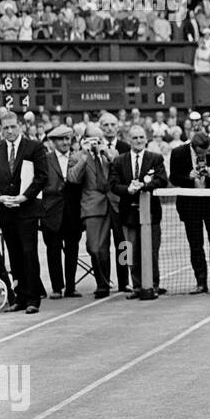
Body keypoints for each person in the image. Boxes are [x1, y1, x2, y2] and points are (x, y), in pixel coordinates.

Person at [0, 110, 49, 313]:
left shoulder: (34, 147)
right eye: (5, 128)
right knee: (14, 254)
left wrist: (24, 197)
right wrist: (0, 198)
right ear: (0, 129)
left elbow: (41, 177)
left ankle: (33, 299)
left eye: (13, 127)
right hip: (6, 211)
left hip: (26, 209)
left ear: (19, 126)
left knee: (29, 253)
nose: (10, 131)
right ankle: (20, 297)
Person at [109, 123, 169, 300]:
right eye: (135, 138)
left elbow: (162, 180)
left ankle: (153, 285)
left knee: (152, 251)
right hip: (128, 214)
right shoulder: (119, 160)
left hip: (151, 214)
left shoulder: (155, 158)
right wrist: (128, 189)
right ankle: (136, 285)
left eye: (141, 137)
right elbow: (112, 185)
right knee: (130, 251)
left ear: (146, 139)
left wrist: (145, 186)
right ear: (129, 140)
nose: (138, 141)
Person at [170, 128, 210, 295]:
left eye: (208, 149)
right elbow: (173, 178)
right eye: (204, 151)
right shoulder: (178, 153)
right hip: (190, 206)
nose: (207, 152)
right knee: (196, 245)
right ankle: (201, 283)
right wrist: (188, 177)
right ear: (194, 148)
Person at [66, 122, 115, 297]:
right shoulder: (77, 156)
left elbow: (121, 169)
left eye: (98, 139)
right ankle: (102, 283)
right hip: (93, 206)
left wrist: (106, 153)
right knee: (96, 248)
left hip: (115, 205)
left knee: (125, 245)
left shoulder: (111, 153)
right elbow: (72, 178)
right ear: (84, 139)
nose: (95, 143)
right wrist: (86, 155)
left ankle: (128, 281)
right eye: (92, 139)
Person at [40, 125, 84, 298]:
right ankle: (57, 287)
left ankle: (71, 287)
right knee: (53, 250)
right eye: (61, 139)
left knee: (72, 250)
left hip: (73, 213)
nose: (66, 142)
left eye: (68, 139)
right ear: (53, 142)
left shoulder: (78, 158)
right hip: (51, 213)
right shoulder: (45, 160)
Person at [99, 111, 131, 293]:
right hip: (101, 203)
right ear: (100, 128)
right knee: (101, 246)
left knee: (123, 243)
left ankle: (124, 280)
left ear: (118, 127)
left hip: (120, 201)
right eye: (106, 125)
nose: (109, 128)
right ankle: (103, 282)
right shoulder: (93, 146)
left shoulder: (126, 147)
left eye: (112, 125)